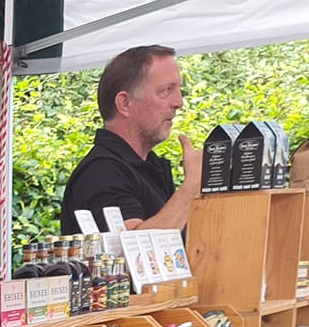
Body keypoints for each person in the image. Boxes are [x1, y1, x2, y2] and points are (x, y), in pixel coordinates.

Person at [60, 45, 203, 233]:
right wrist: (192, 186)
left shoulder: (149, 168)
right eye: (165, 91)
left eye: (179, 90)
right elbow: (135, 250)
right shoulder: (101, 171)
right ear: (125, 103)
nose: (178, 102)